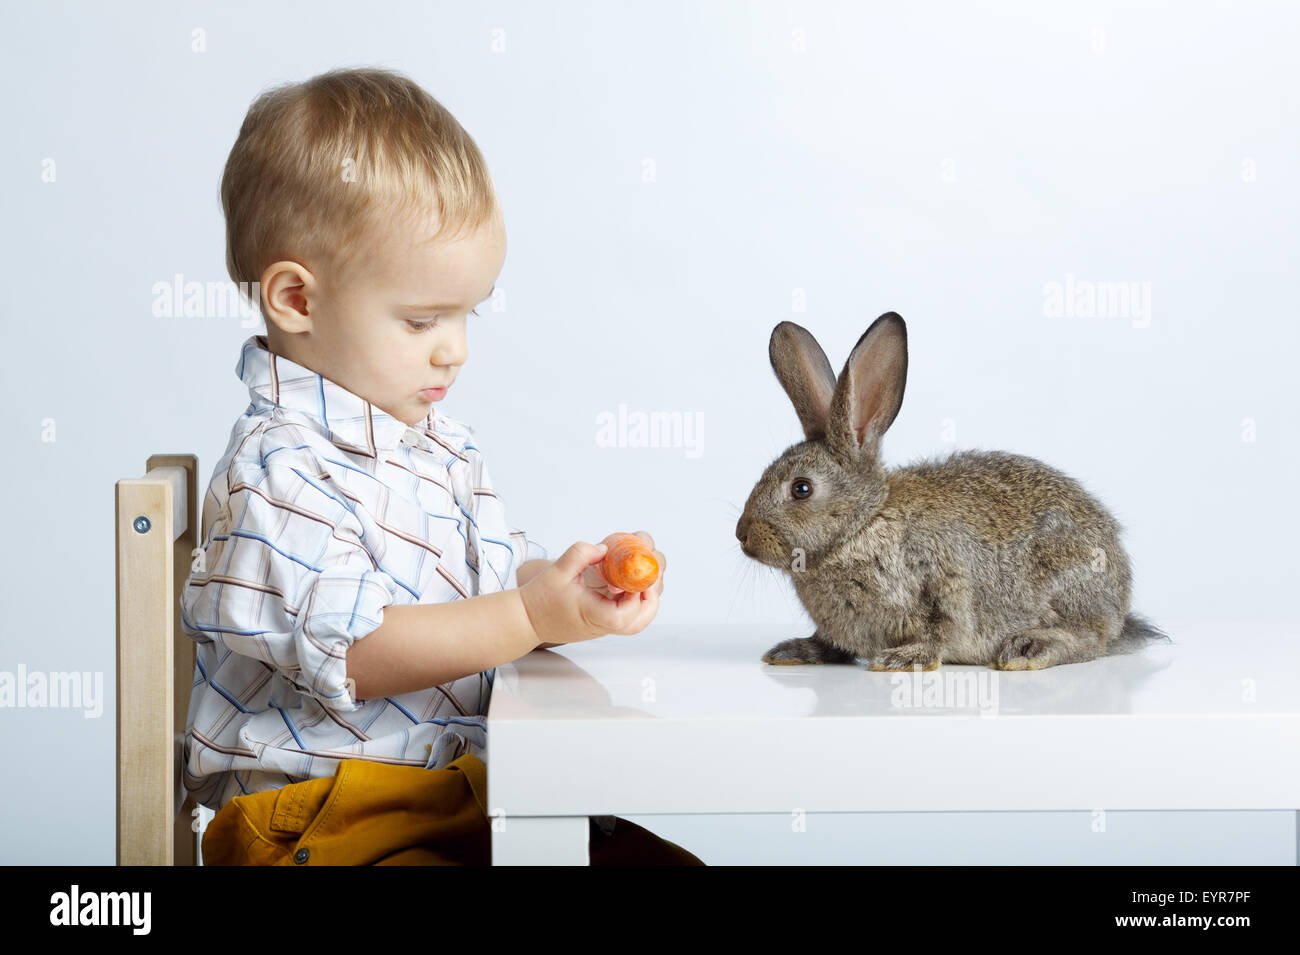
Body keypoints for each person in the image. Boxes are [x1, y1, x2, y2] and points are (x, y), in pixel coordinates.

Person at [182, 66, 703, 866]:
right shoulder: (278, 471)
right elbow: (359, 650)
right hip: (327, 818)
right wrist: (530, 617)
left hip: (464, 793)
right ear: (296, 300)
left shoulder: (435, 446)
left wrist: (566, 587)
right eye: (421, 318)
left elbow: (487, 589)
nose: (454, 347)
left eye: (469, 312)